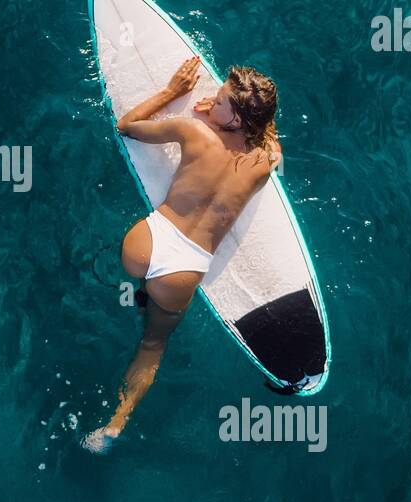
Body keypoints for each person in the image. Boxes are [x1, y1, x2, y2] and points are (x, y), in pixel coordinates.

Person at [83, 58, 282, 454]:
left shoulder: (193, 132)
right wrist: (241, 119)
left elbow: (126, 126)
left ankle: (138, 291)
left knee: (137, 284)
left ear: (238, 118)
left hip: (144, 244)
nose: (211, 98)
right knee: (153, 344)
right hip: (182, 271)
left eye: (221, 98)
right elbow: (272, 140)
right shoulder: (266, 161)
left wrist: (172, 91)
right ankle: (115, 423)